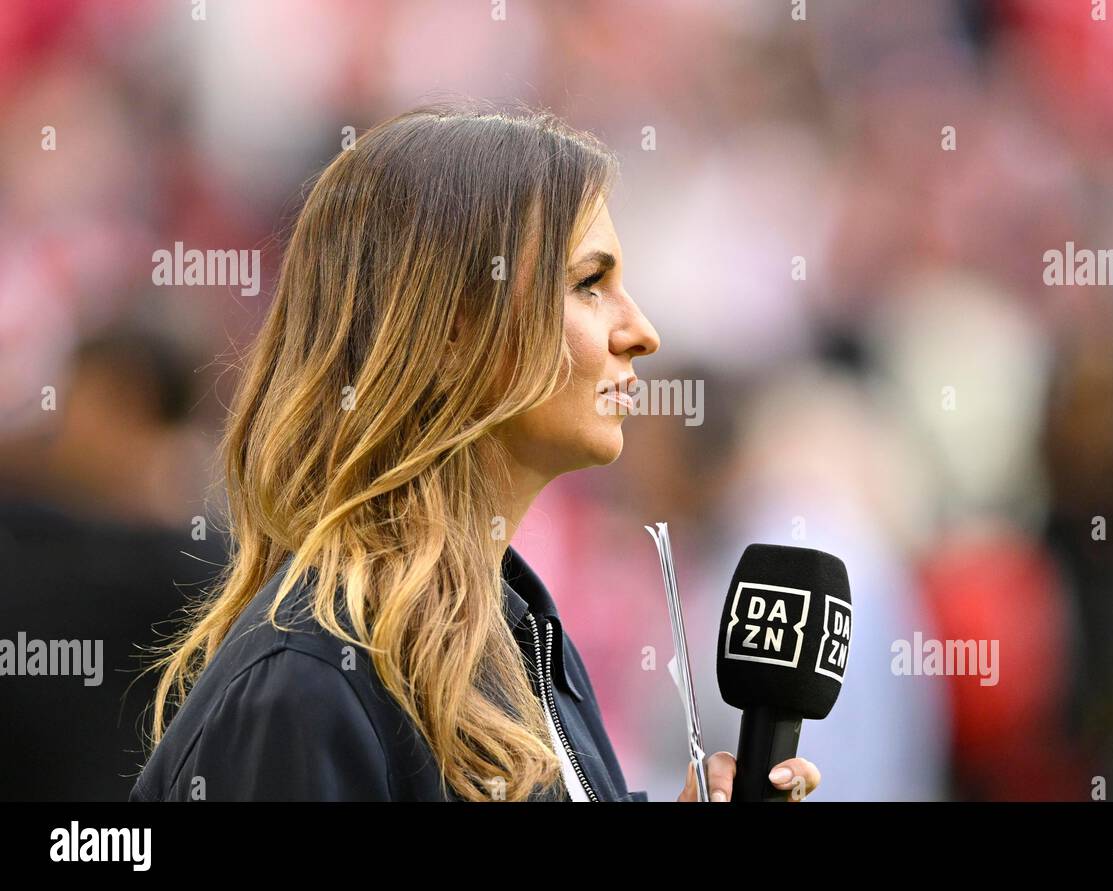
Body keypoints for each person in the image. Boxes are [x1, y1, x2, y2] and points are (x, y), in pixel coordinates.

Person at [130, 107, 820, 802]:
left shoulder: (519, 636)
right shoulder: (308, 678)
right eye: (589, 283)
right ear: (451, 328)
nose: (641, 332)